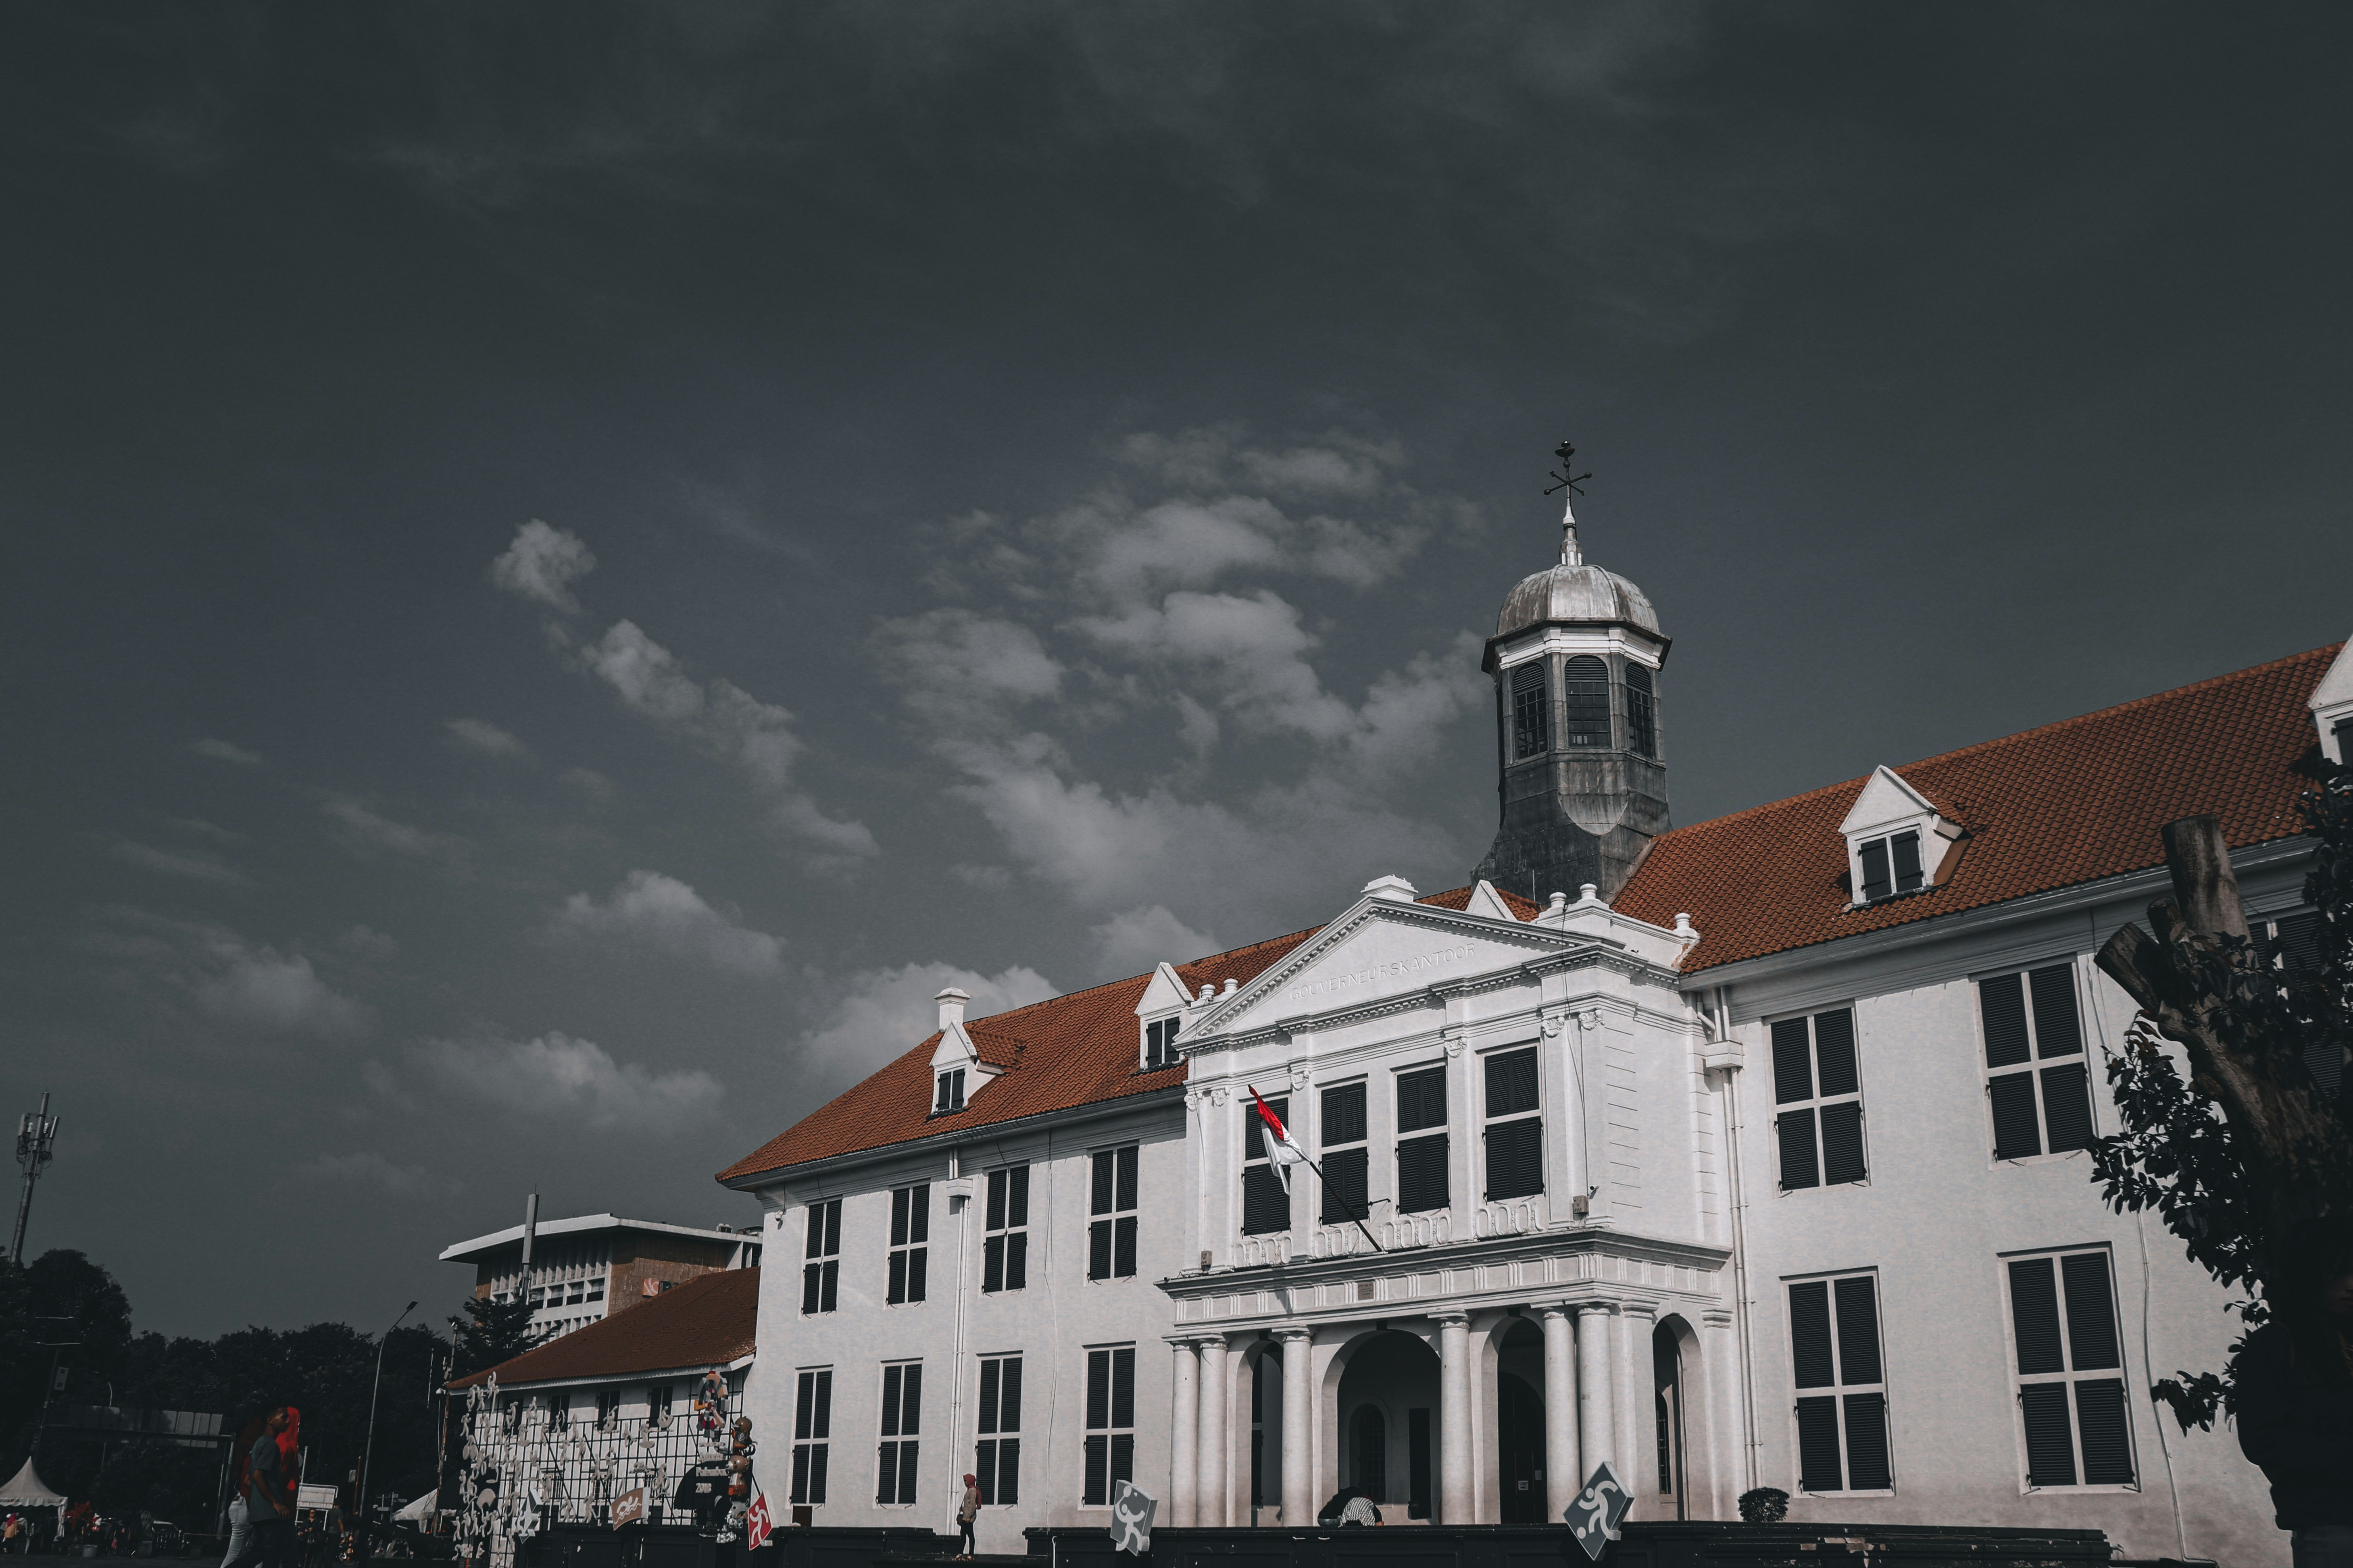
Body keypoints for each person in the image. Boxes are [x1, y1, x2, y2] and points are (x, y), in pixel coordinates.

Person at [2235, 1215, 2353, 1568]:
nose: (2350, 1285)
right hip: (2330, 1524)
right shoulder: (2274, 1345)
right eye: (2338, 1272)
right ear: (2313, 1274)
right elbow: (2262, 1439)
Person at [225, 1408, 296, 1568]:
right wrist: (275, 1501)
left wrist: (259, 1500)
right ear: (271, 1420)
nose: (288, 1421)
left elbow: (248, 1480)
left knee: (257, 1553)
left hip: (259, 1513)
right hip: (270, 1513)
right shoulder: (271, 1445)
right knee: (272, 1555)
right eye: (284, 1417)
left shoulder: (259, 1443)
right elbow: (257, 1476)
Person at [955, 1474, 980, 1559]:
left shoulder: (972, 1490)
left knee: (968, 1535)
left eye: (966, 1481)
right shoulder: (970, 1490)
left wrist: (969, 1516)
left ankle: (969, 1554)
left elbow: (973, 1504)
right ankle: (963, 1553)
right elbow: (969, 1504)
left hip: (969, 1518)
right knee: (965, 1534)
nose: (965, 1483)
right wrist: (963, 1509)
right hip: (966, 1516)